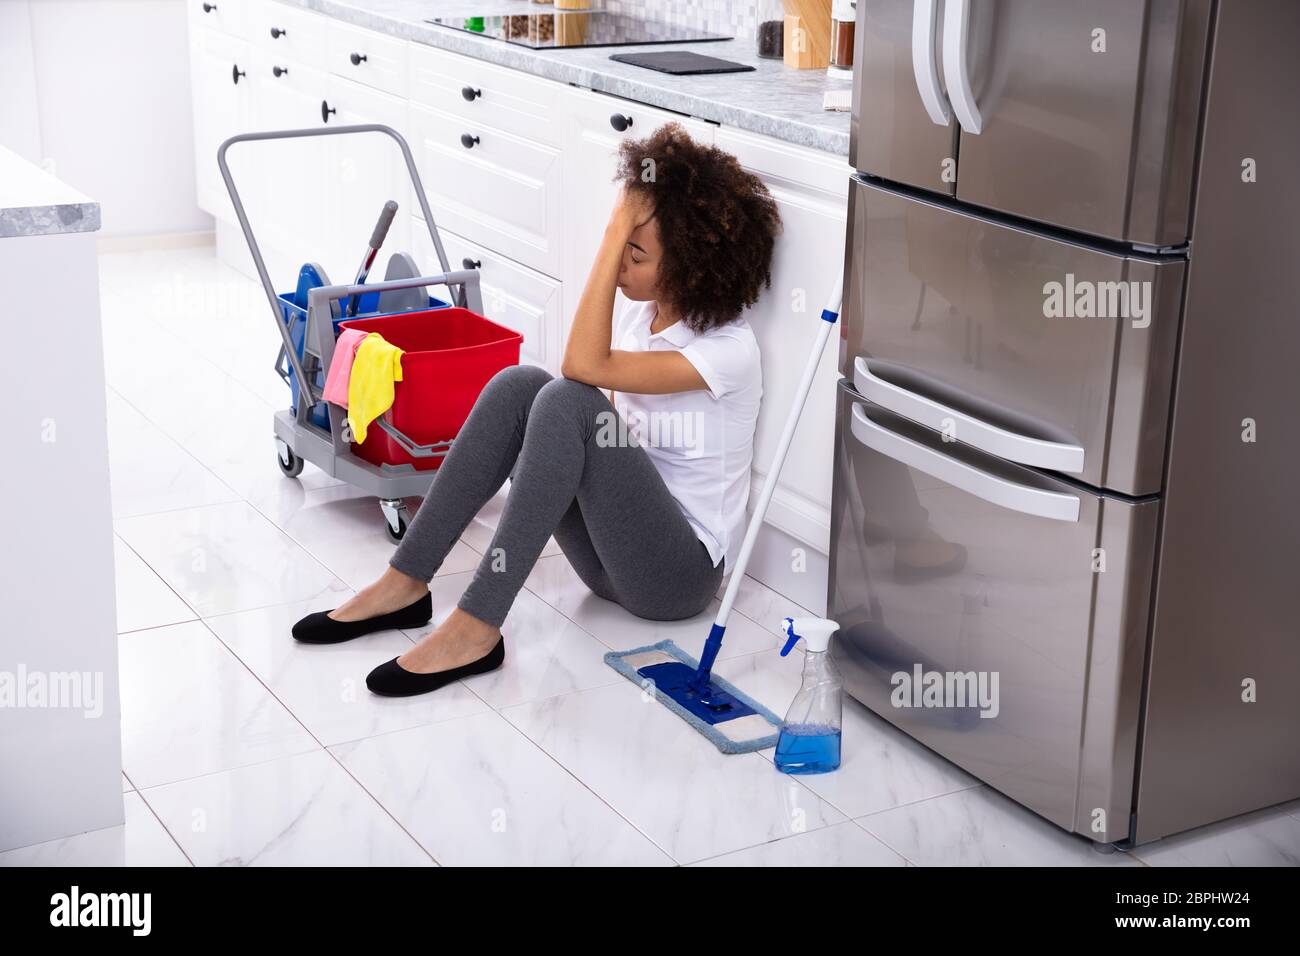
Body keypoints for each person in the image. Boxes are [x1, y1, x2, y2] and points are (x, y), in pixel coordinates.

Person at [290, 122, 784, 697]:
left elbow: (581, 368)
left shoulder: (727, 352)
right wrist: (623, 229)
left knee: (567, 397)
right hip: (608, 561)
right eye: (617, 246)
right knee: (520, 383)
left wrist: (619, 223)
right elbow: (586, 392)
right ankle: (405, 582)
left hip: (674, 579)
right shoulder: (637, 318)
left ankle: (477, 625)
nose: (619, 261)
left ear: (688, 269)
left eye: (636, 252)